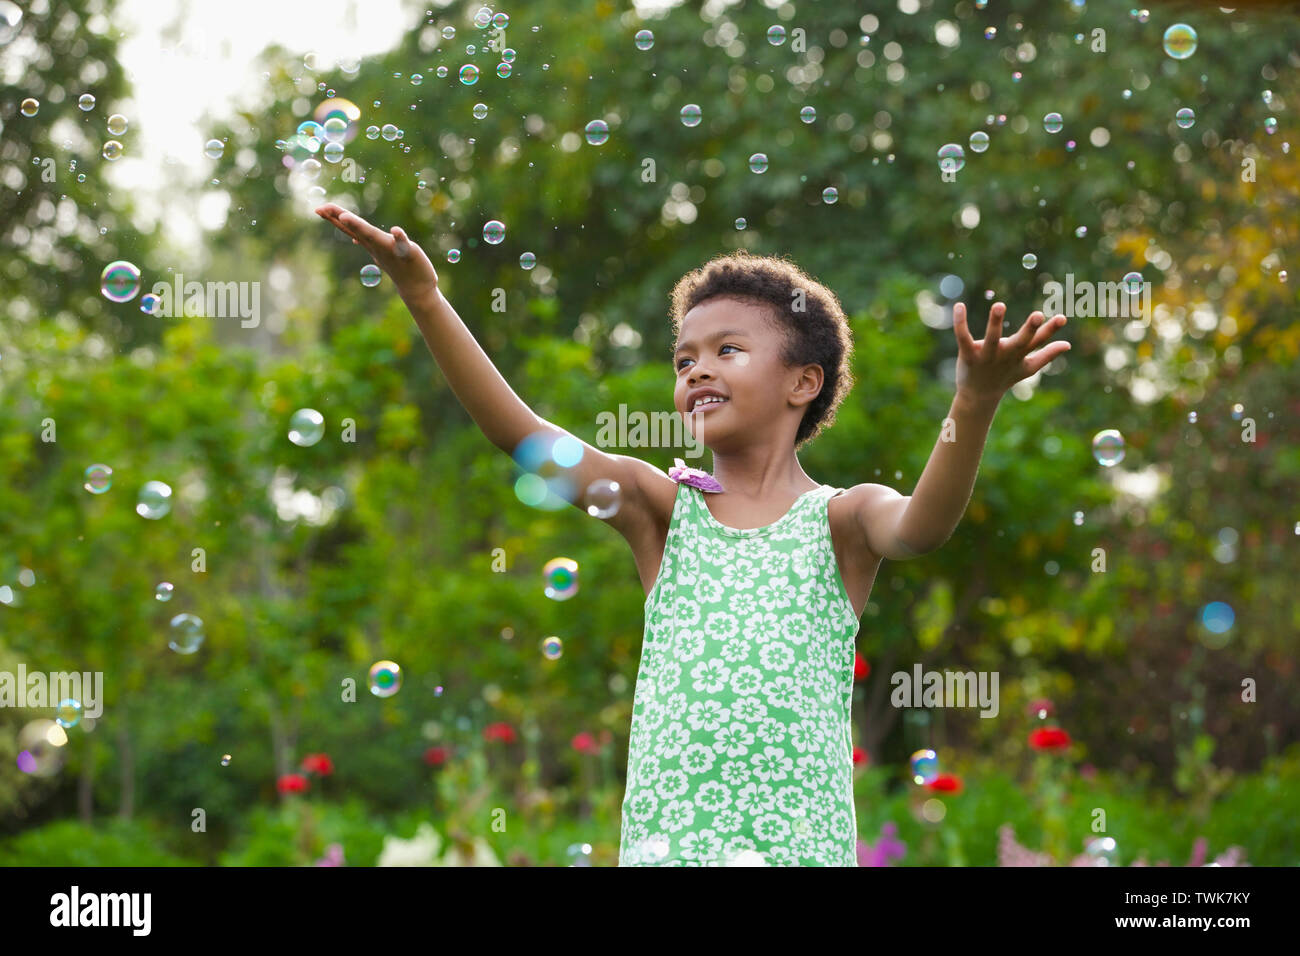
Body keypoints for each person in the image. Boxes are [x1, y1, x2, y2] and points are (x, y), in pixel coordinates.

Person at [315, 204, 1070, 865]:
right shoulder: (662, 510)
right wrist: (425, 298)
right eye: (684, 360)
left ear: (802, 383)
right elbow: (526, 438)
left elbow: (925, 526)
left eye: (727, 351)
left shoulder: (842, 519)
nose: (697, 370)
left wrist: (972, 404)